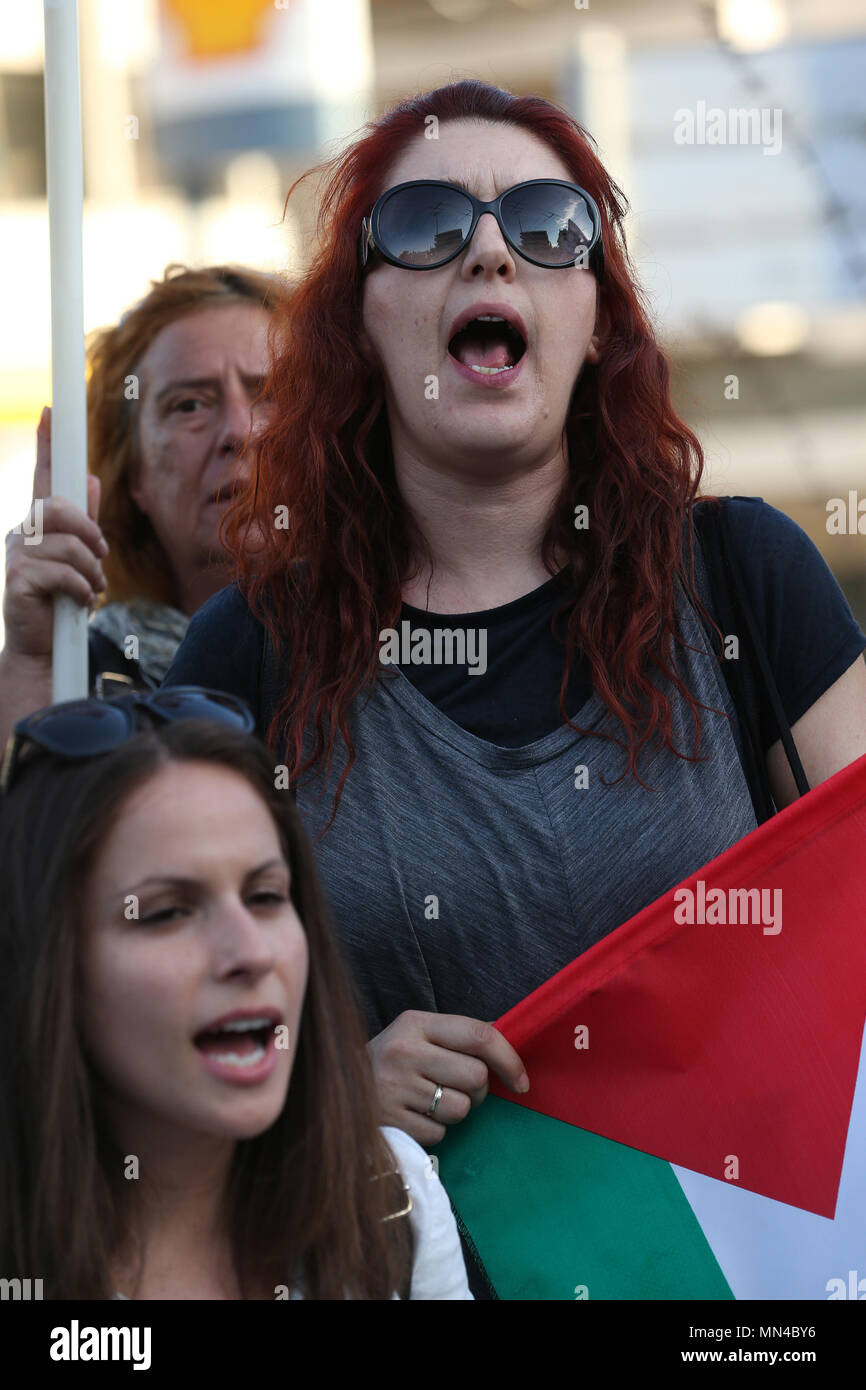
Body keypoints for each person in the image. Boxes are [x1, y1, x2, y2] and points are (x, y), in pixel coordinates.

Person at [161, 79, 866, 1160]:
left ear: (596, 321)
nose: (490, 254)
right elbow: (144, 1033)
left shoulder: (743, 577)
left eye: (547, 227)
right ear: (359, 320)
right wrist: (329, 1099)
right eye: (426, 226)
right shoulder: (247, 652)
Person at [0, 688, 472, 1299]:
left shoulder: (392, 1194)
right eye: (168, 912)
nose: (250, 952)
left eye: (266, 896)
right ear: (48, 961)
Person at [0, 263, 289, 745]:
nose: (238, 432)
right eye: (189, 405)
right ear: (134, 474)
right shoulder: (77, 676)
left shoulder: (403, 645)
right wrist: (32, 663)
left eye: (275, 395)